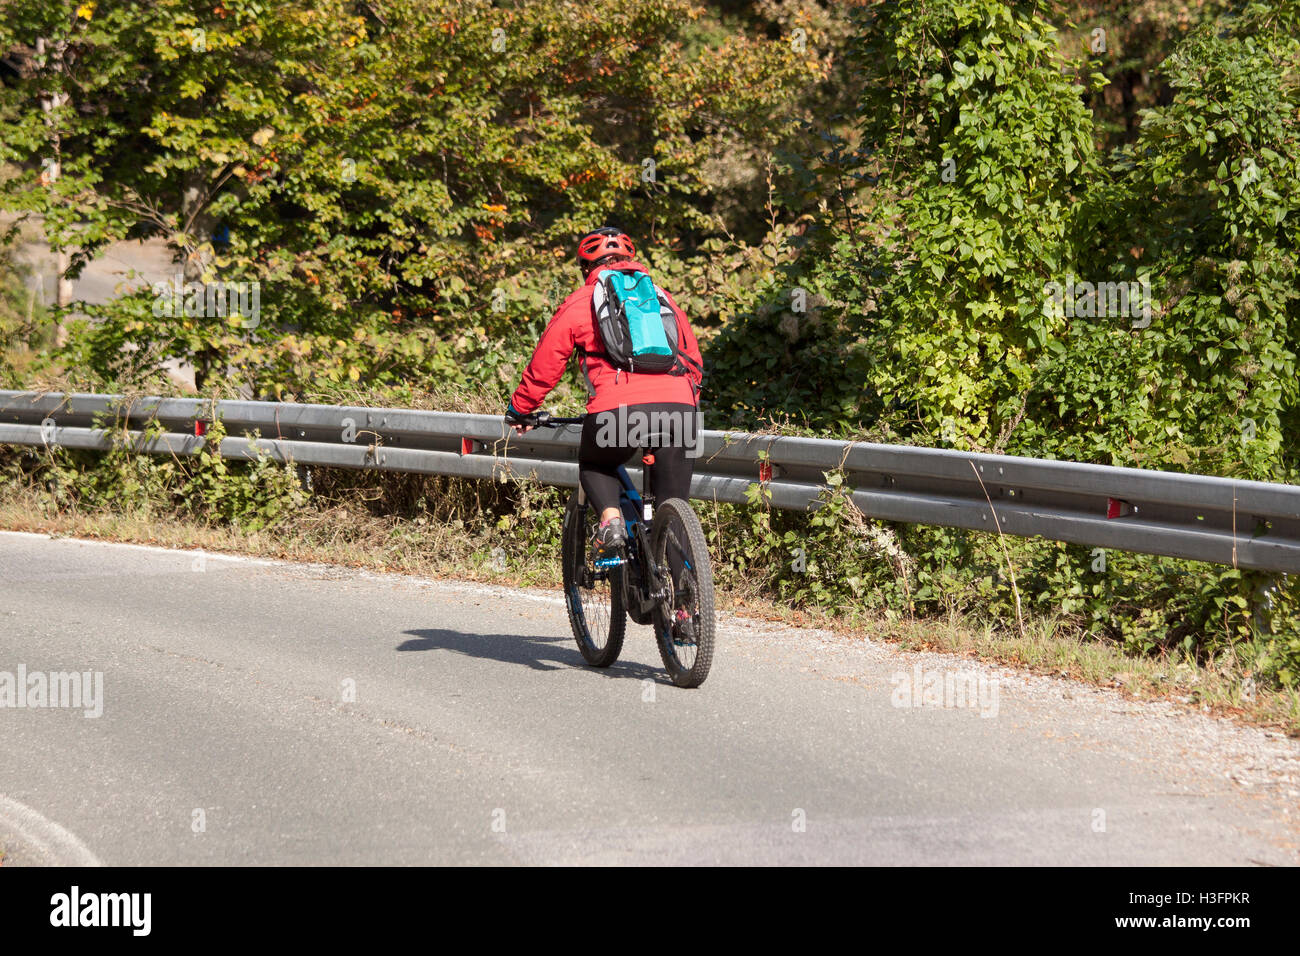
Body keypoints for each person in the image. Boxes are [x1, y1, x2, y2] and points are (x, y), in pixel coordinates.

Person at [505, 226, 704, 555]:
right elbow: (693, 360)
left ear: (587, 268)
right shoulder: (661, 297)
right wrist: (684, 403)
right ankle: (685, 585)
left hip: (618, 411)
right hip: (680, 409)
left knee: (595, 465)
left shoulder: (582, 300)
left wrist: (521, 408)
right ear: (630, 260)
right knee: (672, 510)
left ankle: (611, 523)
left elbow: (547, 362)